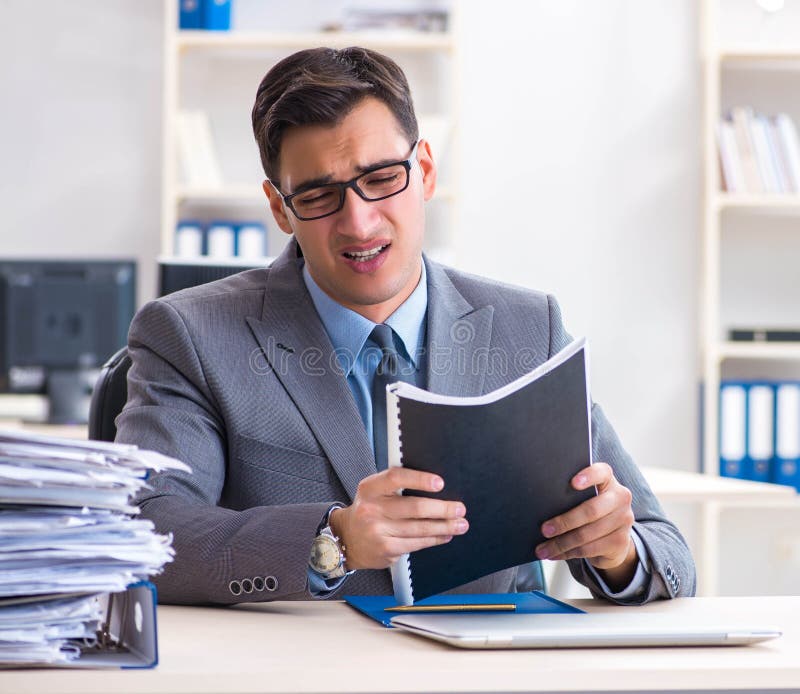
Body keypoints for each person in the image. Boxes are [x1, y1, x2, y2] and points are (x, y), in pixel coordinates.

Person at [117, 46, 695, 606]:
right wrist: (332, 541)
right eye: (319, 195)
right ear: (279, 208)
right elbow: (145, 533)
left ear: (423, 170)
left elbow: (667, 553)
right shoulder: (190, 335)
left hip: (485, 669)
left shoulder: (528, 329)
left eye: (381, 177)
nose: (359, 221)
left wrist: (616, 551)